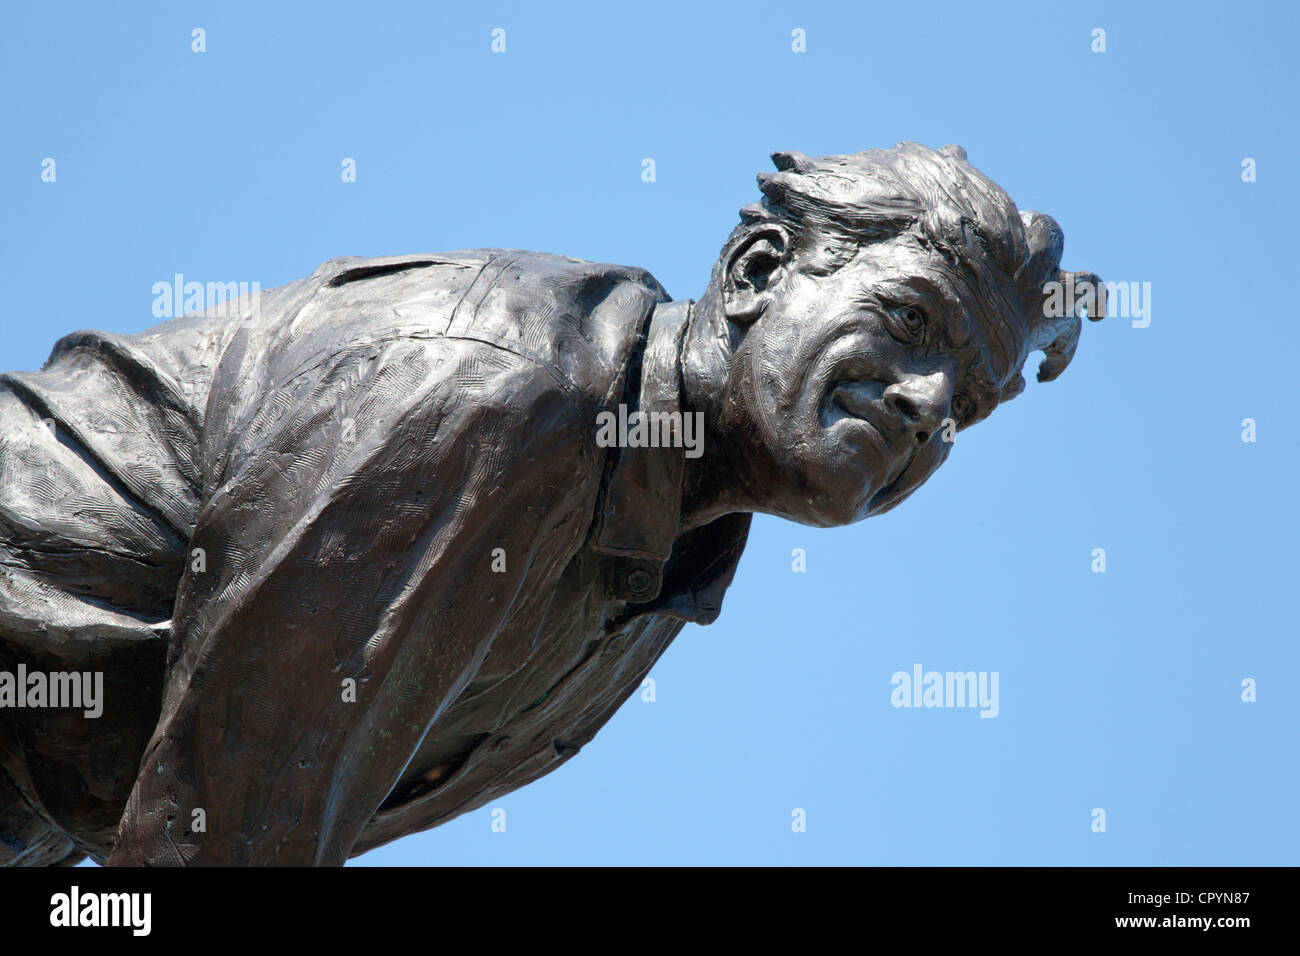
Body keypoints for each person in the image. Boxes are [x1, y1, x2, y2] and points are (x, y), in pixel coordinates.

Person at [0, 143, 1102, 866]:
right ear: (759, 269)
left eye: (974, 396)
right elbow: (219, 834)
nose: (931, 403)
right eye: (911, 322)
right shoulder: (507, 391)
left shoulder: (668, 562)